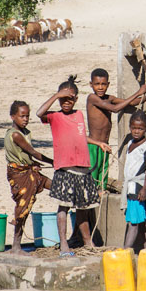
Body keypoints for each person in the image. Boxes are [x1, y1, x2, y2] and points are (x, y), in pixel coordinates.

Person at [36, 75, 111, 255]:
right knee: (64, 206)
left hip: (82, 168)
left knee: (83, 208)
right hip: (66, 168)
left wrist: (97, 143)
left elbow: (80, 136)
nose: (66, 102)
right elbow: (39, 113)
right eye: (63, 99)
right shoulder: (54, 116)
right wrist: (56, 95)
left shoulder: (78, 115)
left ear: (75, 99)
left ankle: (87, 241)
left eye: (70, 99)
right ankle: (64, 244)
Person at [85, 68, 146, 192]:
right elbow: (115, 109)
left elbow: (130, 103)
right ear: (91, 84)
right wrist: (138, 92)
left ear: (108, 84)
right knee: (91, 178)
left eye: (103, 84)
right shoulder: (92, 98)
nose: (100, 87)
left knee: (101, 179)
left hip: (105, 147)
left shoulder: (109, 98)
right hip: (94, 145)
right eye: (97, 84)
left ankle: (100, 202)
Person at [5, 100, 54, 254]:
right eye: (22, 116)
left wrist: (32, 164)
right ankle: (16, 245)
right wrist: (53, 162)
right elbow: (32, 152)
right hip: (20, 174)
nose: (25, 119)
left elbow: (27, 156)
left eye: (27, 116)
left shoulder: (24, 133)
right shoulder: (15, 135)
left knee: (55, 186)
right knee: (23, 208)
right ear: (13, 116)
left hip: (29, 171)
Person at [120, 110, 146, 250]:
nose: (136, 131)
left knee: (133, 223)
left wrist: (144, 188)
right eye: (134, 128)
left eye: (140, 129)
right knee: (141, 219)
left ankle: (126, 250)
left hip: (138, 186)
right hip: (130, 186)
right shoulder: (129, 143)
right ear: (130, 127)